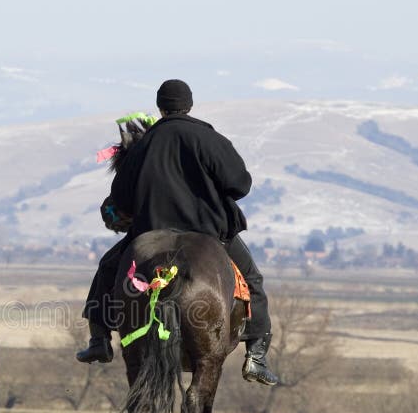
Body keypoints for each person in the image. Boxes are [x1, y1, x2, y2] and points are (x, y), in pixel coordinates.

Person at [76, 79, 279, 386]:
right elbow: (241, 185)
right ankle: (256, 355)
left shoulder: (143, 144)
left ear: (160, 107)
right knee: (252, 280)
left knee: (107, 269)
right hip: (210, 232)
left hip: (150, 233)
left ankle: (100, 339)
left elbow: (120, 198)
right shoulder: (210, 139)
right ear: (189, 105)